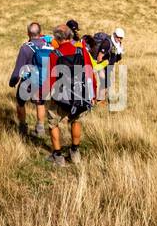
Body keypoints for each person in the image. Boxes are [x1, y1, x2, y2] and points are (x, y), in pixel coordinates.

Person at [45, 24, 96, 165]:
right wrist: (93, 94)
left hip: (61, 97)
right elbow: (90, 73)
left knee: (53, 123)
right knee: (76, 120)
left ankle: (58, 156)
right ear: (70, 36)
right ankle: (75, 153)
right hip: (80, 94)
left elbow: (51, 79)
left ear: (56, 38)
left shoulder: (54, 55)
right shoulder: (82, 51)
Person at [9, 21, 50, 136]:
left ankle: (22, 127)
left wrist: (13, 80)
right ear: (40, 32)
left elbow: (19, 68)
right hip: (43, 80)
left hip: (28, 81)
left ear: (28, 33)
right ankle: (40, 128)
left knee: (20, 102)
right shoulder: (48, 45)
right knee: (40, 103)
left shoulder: (25, 48)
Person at [89, 31, 113, 106]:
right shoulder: (107, 44)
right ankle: (98, 100)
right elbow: (99, 58)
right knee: (102, 79)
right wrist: (103, 64)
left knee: (99, 80)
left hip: (93, 61)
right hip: (96, 63)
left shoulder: (108, 42)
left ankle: (98, 99)